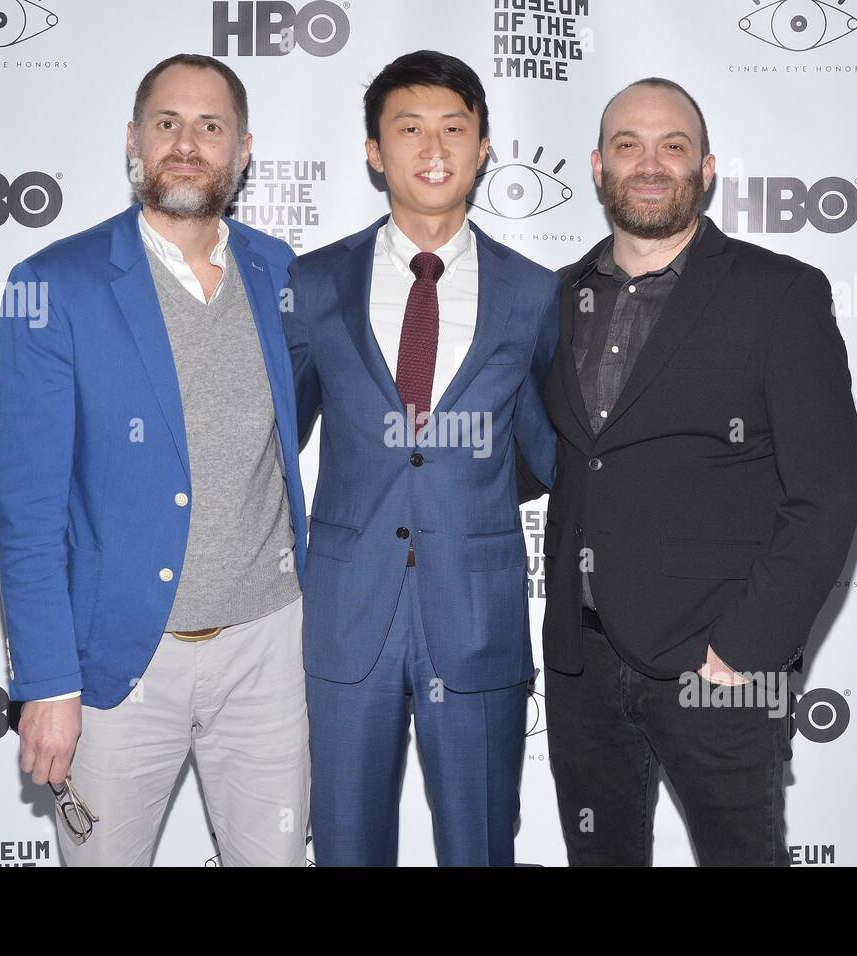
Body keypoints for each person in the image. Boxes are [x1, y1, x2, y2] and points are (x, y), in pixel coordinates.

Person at [0, 53, 309, 866]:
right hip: (120, 663)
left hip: (269, 648)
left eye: (211, 127)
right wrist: (48, 684)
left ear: (243, 150)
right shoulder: (55, 285)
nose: (187, 144)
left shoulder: (283, 275)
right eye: (167, 123)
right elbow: (27, 514)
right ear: (134, 138)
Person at [538, 78, 857, 866]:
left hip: (718, 672)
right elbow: (546, 456)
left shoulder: (778, 293)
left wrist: (745, 652)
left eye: (672, 146)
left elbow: (825, 497)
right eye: (628, 146)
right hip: (582, 667)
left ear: (706, 168)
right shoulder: (556, 299)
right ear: (596, 167)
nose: (650, 163)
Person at [282, 50, 558, 866]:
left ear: (481, 148)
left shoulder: (534, 292)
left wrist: (458, 506)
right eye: (408, 128)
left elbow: (544, 450)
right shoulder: (314, 281)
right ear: (374, 150)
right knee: (344, 848)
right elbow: (278, 432)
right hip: (343, 616)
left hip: (476, 620)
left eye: (453, 128)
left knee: (479, 848)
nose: (432, 146)